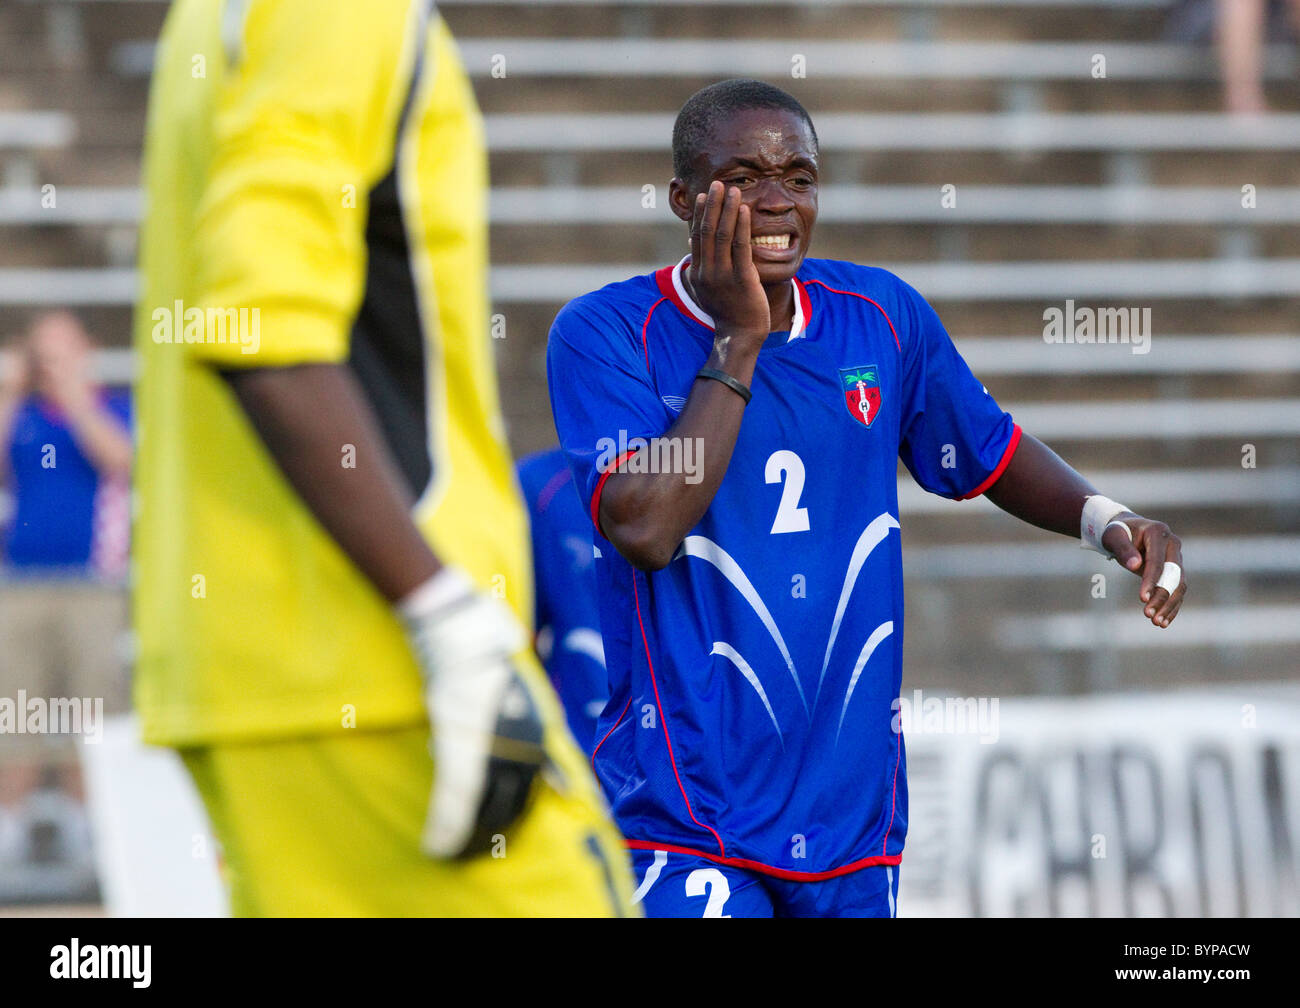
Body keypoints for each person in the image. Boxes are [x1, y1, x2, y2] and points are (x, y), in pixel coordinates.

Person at [547, 79, 1188, 918]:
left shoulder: (881, 318)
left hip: (852, 821)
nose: (776, 202)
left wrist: (1110, 520)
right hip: (683, 815)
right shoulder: (603, 332)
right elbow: (643, 525)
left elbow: (988, 450)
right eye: (742, 179)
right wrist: (741, 340)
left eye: (800, 178)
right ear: (683, 199)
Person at [133, 0, 633, 916]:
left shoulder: (207, 19)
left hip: (255, 665)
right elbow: (259, 325)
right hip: (380, 664)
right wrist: (444, 616)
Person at [0, 310, 131, 899]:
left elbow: (122, 461)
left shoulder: (113, 407)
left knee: (91, 713)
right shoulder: (18, 415)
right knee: (16, 709)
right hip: (20, 587)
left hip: (91, 588)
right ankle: (8, 831)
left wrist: (76, 397)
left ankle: (93, 835)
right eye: (41, 352)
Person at [517, 447, 608, 757]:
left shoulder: (717, 476)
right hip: (581, 757)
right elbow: (514, 634)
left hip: (698, 768)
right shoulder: (539, 486)